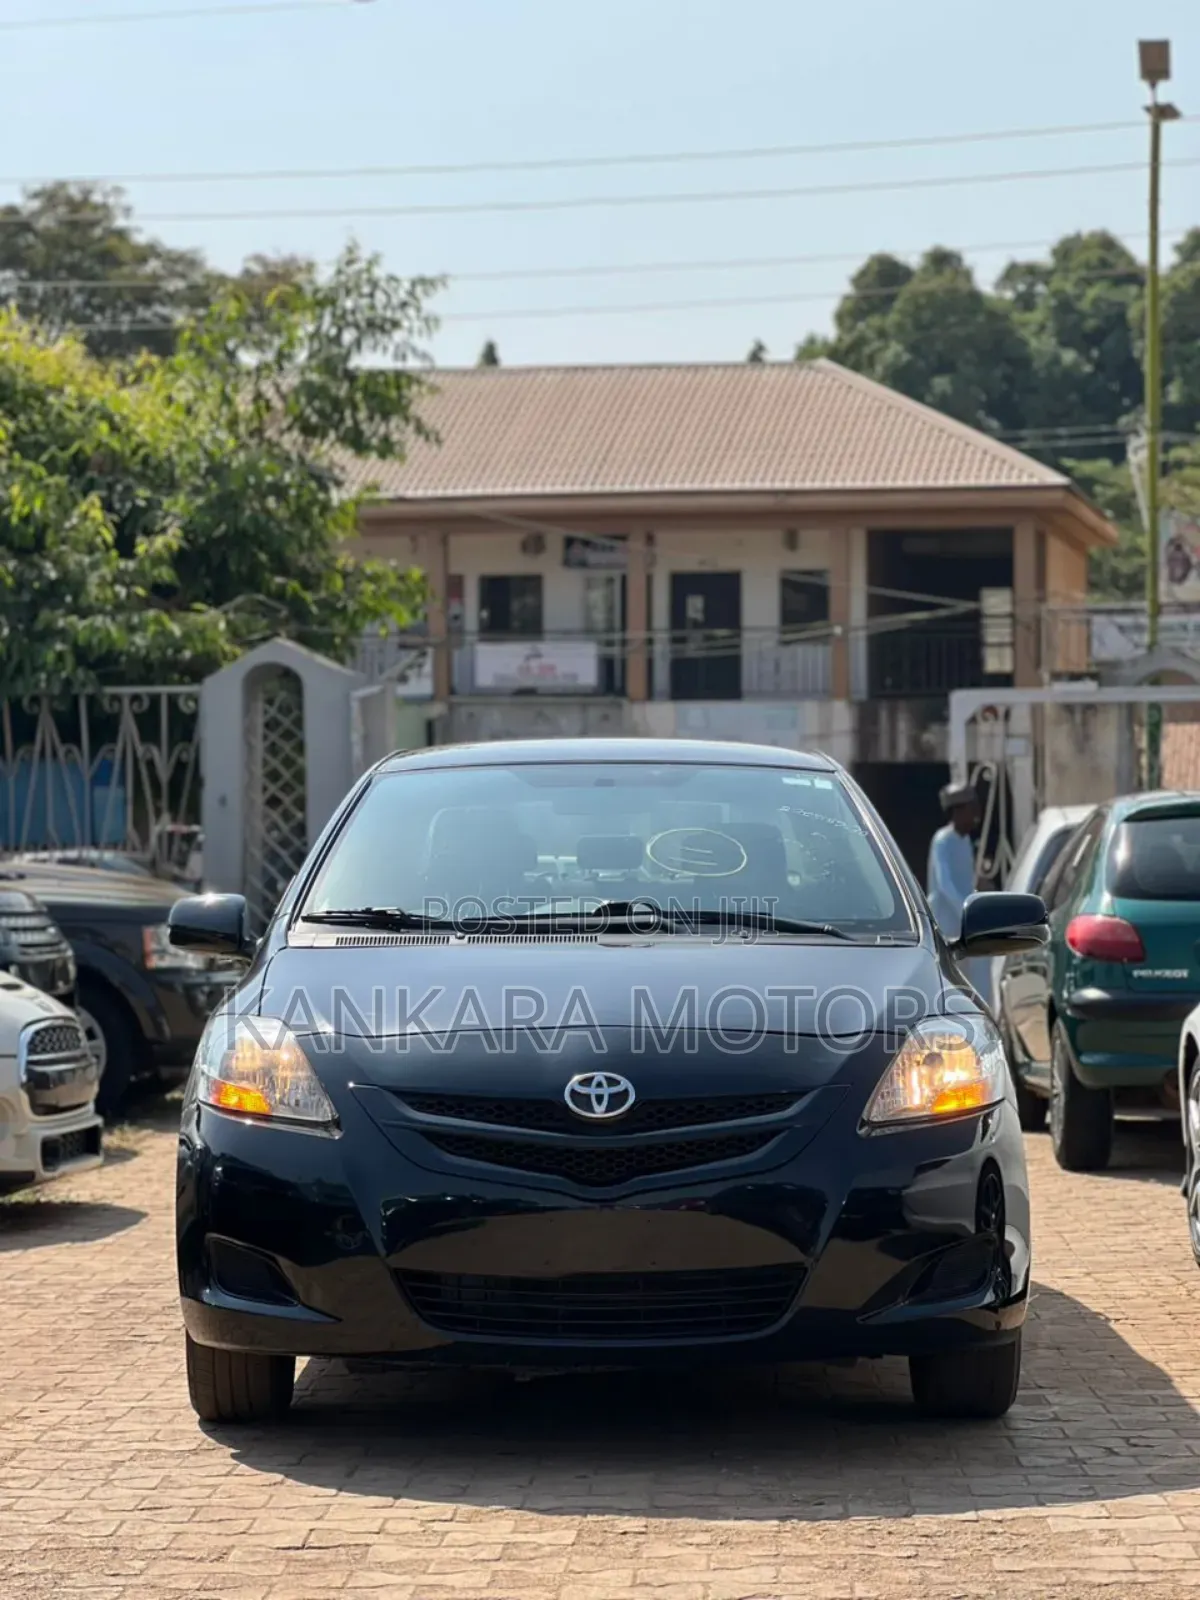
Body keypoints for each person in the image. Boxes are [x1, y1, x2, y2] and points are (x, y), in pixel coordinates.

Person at [927, 782, 993, 1010]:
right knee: (950, 978)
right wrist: (966, 911)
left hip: (964, 921)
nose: (975, 814)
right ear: (957, 811)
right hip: (947, 921)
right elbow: (945, 884)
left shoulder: (965, 842)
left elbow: (966, 880)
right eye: (970, 808)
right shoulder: (943, 841)